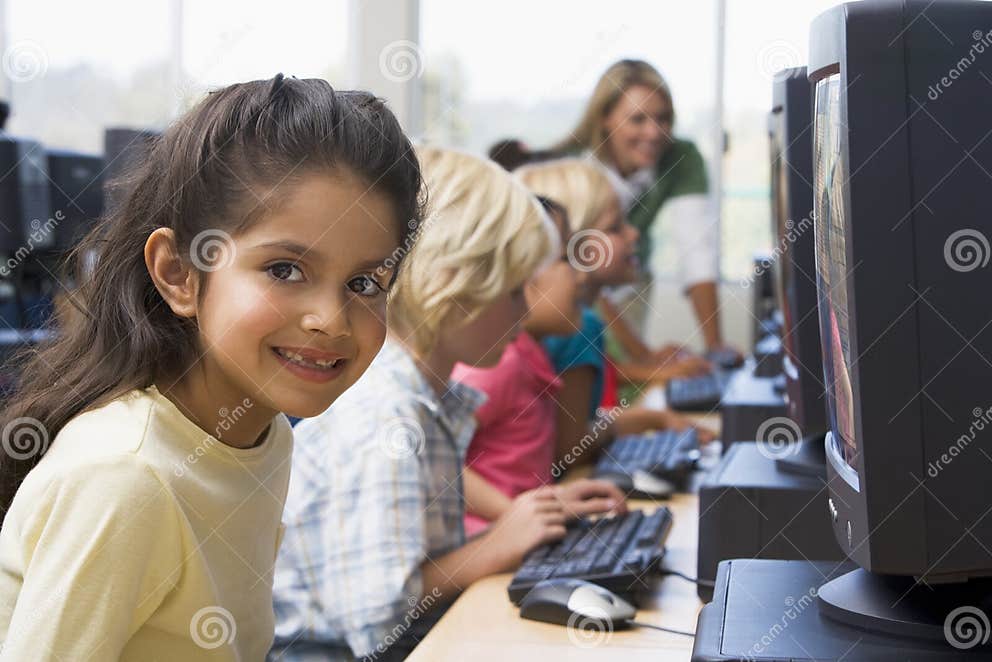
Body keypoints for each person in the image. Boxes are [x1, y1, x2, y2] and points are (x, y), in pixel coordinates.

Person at [0, 75, 424, 660]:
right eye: (284, 269)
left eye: (363, 283)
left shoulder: (262, 432)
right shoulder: (127, 478)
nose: (331, 317)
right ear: (179, 273)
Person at [271, 148, 570, 661]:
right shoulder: (385, 415)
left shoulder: (424, 398)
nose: (526, 311)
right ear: (456, 284)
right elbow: (378, 619)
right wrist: (495, 547)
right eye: (515, 291)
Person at [516, 158, 716, 459]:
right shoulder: (576, 327)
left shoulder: (591, 312)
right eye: (616, 227)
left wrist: (654, 418)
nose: (633, 234)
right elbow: (571, 446)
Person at [453, 196, 627, 536]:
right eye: (565, 260)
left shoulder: (530, 356)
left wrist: (551, 502)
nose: (581, 278)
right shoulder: (498, 364)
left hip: (520, 538)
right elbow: (437, 461)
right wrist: (516, 513)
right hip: (487, 544)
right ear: (519, 277)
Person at [555, 59, 737, 358]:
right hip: (577, 293)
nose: (654, 133)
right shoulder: (569, 168)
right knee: (592, 366)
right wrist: (646, 361)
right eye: (637, 119)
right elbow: (580, 274)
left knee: (615, 381)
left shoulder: (681, 157)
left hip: (626, 281)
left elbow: (697, 253)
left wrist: (715, 350)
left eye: (663, 118)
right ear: (604, 118)